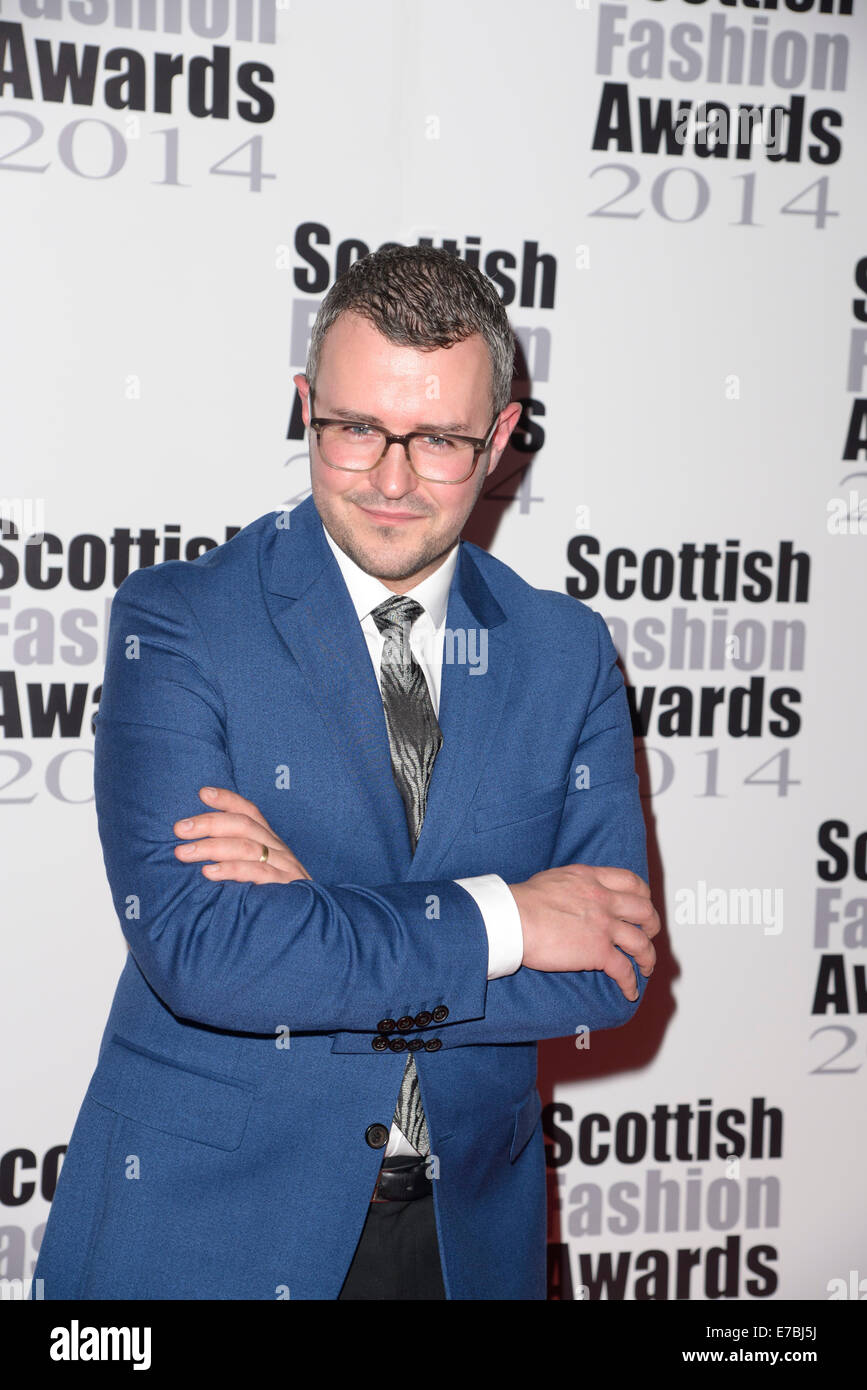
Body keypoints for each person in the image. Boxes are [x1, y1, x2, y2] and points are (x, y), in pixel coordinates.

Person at [34, 244, 659, 1301]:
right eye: (356, 429)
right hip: (204, 1232)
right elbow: (207, 952)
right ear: (304, 408)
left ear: (501, 435)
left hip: (467, 1245)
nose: (392, 480)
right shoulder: (180, 620)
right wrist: (508, 921)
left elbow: (607, 967)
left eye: (440, 440)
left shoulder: (566, 652)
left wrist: (314, 917)